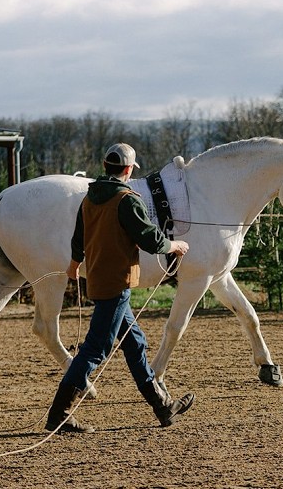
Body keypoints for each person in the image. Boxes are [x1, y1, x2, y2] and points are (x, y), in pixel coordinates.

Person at [46, 142, 196, 433]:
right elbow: (150, 239)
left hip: (101, 279)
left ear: (106, 167)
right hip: (117, 283)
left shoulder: (90, 198)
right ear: (128, 170)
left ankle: (162, 407)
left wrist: (75, 264)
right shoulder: (126, 199)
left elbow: (79, 236)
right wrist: (174, 245)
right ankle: (59, 413)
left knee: (135, 343)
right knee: (95, 349)